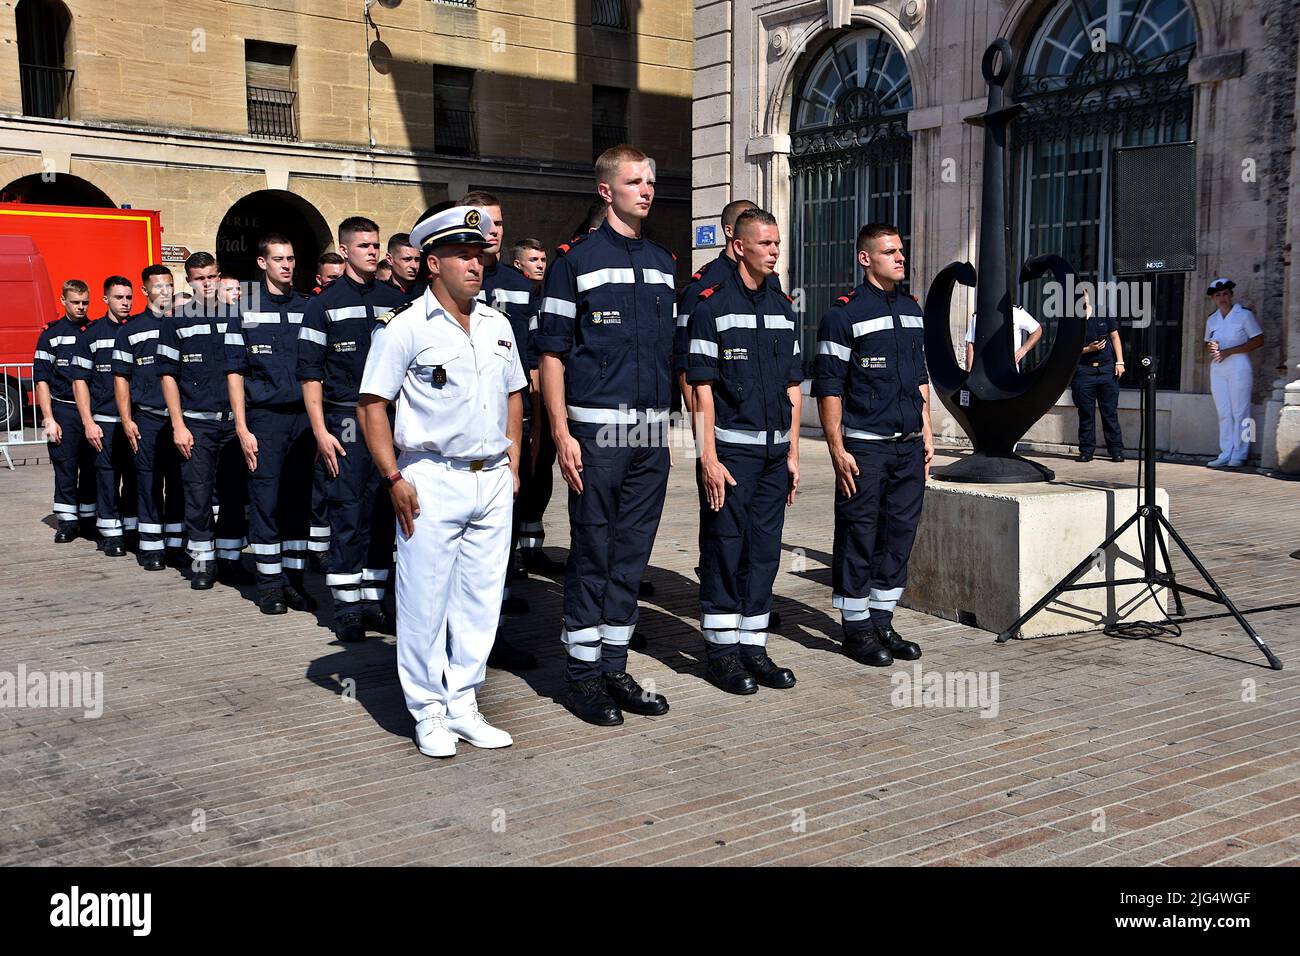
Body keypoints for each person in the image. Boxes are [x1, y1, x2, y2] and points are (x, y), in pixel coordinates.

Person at [358, 205, 527, 758]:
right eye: (462, 255)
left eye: (479, 254)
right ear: (433, 263)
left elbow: (513, 396)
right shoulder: (404, 327)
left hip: (491, 478)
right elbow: (372, 405)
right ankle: (428, 710)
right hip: (430, 477)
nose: (475, 264)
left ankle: (463, 702)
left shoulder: (497, 325)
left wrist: (514, 461)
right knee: (425, 600)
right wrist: (391, 476)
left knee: (480, 601)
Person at [536, 144, 676, 726]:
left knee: (631, 554)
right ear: (606, 191)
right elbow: (551, 356)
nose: (646, 189)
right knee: (592, 552)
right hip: (595, 432)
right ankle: (581, 676)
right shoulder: (576, 261)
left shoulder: (667, 263)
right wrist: (562, 433)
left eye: (649, 180)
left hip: (650, 434)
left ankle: (614, 662)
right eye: (634, 181)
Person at [685, 208, 802, 695]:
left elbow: (795, 386)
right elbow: (701, 390)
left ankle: (754, 646)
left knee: (764, 552)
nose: (775, 251)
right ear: (739, 247)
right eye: (766, 244)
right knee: (725, 548)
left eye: (777, 243)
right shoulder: (711, 306)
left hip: (775, 457)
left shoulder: (783, 307)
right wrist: (707, 456)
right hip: (732, 454)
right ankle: (721, 652)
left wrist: (794, 453)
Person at [812, 222, 932, 668]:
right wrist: (836, 449)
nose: (900, 258)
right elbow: (829, 388)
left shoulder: (912, 309)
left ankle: (882, 618)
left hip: (909, 446)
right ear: (866, 258)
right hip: (865, 448)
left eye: (901, 250)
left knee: (899, 535)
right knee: (859, 535)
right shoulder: (843, 315)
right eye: (890, 252)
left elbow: (920, 377)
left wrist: (928, 434)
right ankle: (855, 627)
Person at [297, 217, 409, 641]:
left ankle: (373, 601)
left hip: (390, 419)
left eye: (376, 244)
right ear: (344, 251)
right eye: (363, 245)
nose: (372, 251)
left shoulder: (394, 299)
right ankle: (345, 607)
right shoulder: (322, 303)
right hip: (343, 418)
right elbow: (309, 375)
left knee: (384, 509)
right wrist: (320, 431)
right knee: (347, 511)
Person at [458, 190, 545, 639]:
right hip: (460, 426)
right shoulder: (450, 279)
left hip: (508, 417)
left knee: (502, 521)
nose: (494, 231)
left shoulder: (517, 285)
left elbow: (527, 357)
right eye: (484, 222)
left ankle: (495, 629)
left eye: (500, 223)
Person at [226, 234, 318, 615]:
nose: (287, 265)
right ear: (262, 263)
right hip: (264, 419)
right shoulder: (244, 309)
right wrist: (242, 428)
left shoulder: (309, 308)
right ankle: (268, 585)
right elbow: (234, 372)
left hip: (303, 419)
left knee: (299, 500)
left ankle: (293, 582)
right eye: (278, 258)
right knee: (265, 501)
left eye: (291, 258)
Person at [157, 252, 250, 589]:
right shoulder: (175, 321)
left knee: (233, 491)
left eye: (211, 277)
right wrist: (178, 425)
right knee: (197, 493)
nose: (207, 284)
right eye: (199, 278)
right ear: (189, 281)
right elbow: (168, 376)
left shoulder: (238, 317)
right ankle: (203, 562)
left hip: (233, 422)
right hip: (196, 422)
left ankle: (230, 560)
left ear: (219, 276)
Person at [112, 265, 185, 570]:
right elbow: (120, 378)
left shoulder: (185, 323)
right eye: (157, 287)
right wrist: (127, 419)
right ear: (145, 291)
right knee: (148, 483)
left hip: (181, 419)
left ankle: (177, 545)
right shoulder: (130, 330)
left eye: (169, 286)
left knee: (180, 482)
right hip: (148, 418)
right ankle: (151, 546)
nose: (164, 292)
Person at [674, 199, 758, 415]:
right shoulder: (702, 286)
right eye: (747, 221)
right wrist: (701, 433)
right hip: (722, 417)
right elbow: (685, 360)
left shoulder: (770, 283)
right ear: (730, 231)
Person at [33, 279, 97, 542]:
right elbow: (42, 380)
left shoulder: (96, 330)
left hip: (94, 412)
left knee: (93, 467)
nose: (81, 307)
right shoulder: (50, 334)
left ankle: (90, 520)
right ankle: (68, 522)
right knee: (65, 467)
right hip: (64, 410)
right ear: (63, 301)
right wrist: (49, 418)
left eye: (85, 302)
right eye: (75, 302)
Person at [82, 276, 139, 556]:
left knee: (134, 477)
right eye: (119, 297)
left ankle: (131, 530)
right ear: (105, 299)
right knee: (106, 478)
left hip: (135, 419)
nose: (125, 303)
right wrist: (88, 422)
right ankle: (111, 533)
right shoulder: (91, 334)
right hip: (104, 419)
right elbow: (79, 381)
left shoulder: (138, 329)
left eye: (128, 297)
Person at [308, 251, 346, 569]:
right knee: (320, 481)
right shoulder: (316, 306)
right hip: (313, 407)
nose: (336, 283)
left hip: (333, 406)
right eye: (331, 278)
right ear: (320, 280)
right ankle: (318, 545)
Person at [1204, 278, 1264, 468]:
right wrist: (1212, 347)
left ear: (1231, 295)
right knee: (1224, 411)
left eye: (1225, 294)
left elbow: (1258, 340)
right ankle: (1226, 451)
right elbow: (1208, 342)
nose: (1222, 298)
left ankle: (1241, 452)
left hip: (1239, 364)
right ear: (1213, 298)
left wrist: (1229, 351)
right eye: (1218, 295)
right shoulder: (1212, 319)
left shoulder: (1243, 315)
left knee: (1242, 411)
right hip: (1218, 366)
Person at [1071, 285, 1126, 463]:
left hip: (1106, 368)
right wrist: (1089, 349)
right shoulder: (1071, 318)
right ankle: (1086, 451)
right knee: (1086, 413)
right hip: (1083, 371)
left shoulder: (1102, 312)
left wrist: (1120, 362)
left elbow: (1115, 337)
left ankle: (1116, 450)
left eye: (1084, 295)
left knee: (1109, 412)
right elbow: (1067, 350)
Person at [964, 304, 1042, 371]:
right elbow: (971, 344)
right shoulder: (979, 315)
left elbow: (1037, 330)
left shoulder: (1016, 312)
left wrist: (1023, 350)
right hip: (984, 370)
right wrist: (970, 371)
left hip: (1008, 370)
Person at [384, 233, 421, 299]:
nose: (414, 266)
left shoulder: (427, 295)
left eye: (417, 260)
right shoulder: (378, 295)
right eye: (407, 259)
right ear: (389, 259)